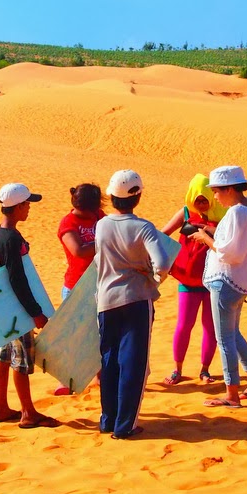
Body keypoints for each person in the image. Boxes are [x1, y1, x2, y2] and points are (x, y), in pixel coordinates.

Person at [95, 169, 174, 439]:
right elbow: (162, 263)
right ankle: (125, 425)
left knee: (109, 359)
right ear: (137, 197)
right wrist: (153, 277)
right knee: (133, 362)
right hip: (136, 300)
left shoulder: (102, 225)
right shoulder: (143, 228)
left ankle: (108, 420)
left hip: (106, 300)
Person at [189, 165, 247, 408]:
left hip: (225, 281)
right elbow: (234, 238)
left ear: (231, 188)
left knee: (224, 339)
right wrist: (211, 231)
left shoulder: (236, 212)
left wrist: (205, 239)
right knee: (233, 334)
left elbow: (229, 252)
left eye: (217, 191)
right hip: (239, 282)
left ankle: (231, 395)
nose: (215, 196)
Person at [0, 183, 60, 429]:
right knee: (20, 359)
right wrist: (35, 313)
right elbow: (17, 279)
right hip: (18, 308)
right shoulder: (9, 238)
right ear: (18, 206)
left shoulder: (4, 232)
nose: (29, 207)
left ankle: (1, 407)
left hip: (7, 306)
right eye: (27, 204)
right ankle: (28, 413)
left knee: (6, 355)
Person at [158, 173, 227, 386]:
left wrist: (208, 230)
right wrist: (163, 261)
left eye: (205, 200)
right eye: (198, 201)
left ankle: (205, 370)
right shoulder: (186, 212)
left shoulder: (223, 214)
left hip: (212, 281)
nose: (202, 205)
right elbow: (163, 234)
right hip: (187, 280)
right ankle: (177, 369)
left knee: (210, 327)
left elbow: (230, 241)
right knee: (184, 325)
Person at [52, 183, 105, 396]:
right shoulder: (68, 222)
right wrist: (108, 240)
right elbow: (78, 251)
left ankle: (99, 376)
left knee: (98, 333)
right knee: (74, 335)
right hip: (75, 286)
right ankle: (67, 379)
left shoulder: (99, 215)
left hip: (100, 283)